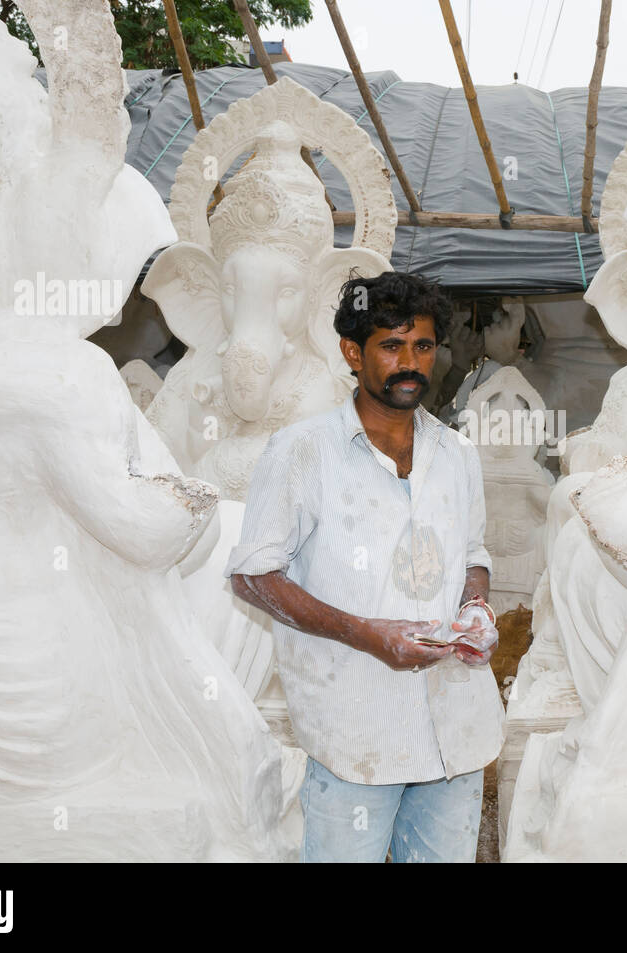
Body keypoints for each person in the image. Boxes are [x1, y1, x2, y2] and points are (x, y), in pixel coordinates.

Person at [226, 271, 505, 862]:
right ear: (353, 352)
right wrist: (368, 635)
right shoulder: (302, 451)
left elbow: (473, 556)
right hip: (356, 731)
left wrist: (474, 607)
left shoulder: (456, 455)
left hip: (455, 730)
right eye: (391, 346)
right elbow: (253, 574)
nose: (411, 363)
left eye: (423, 346)